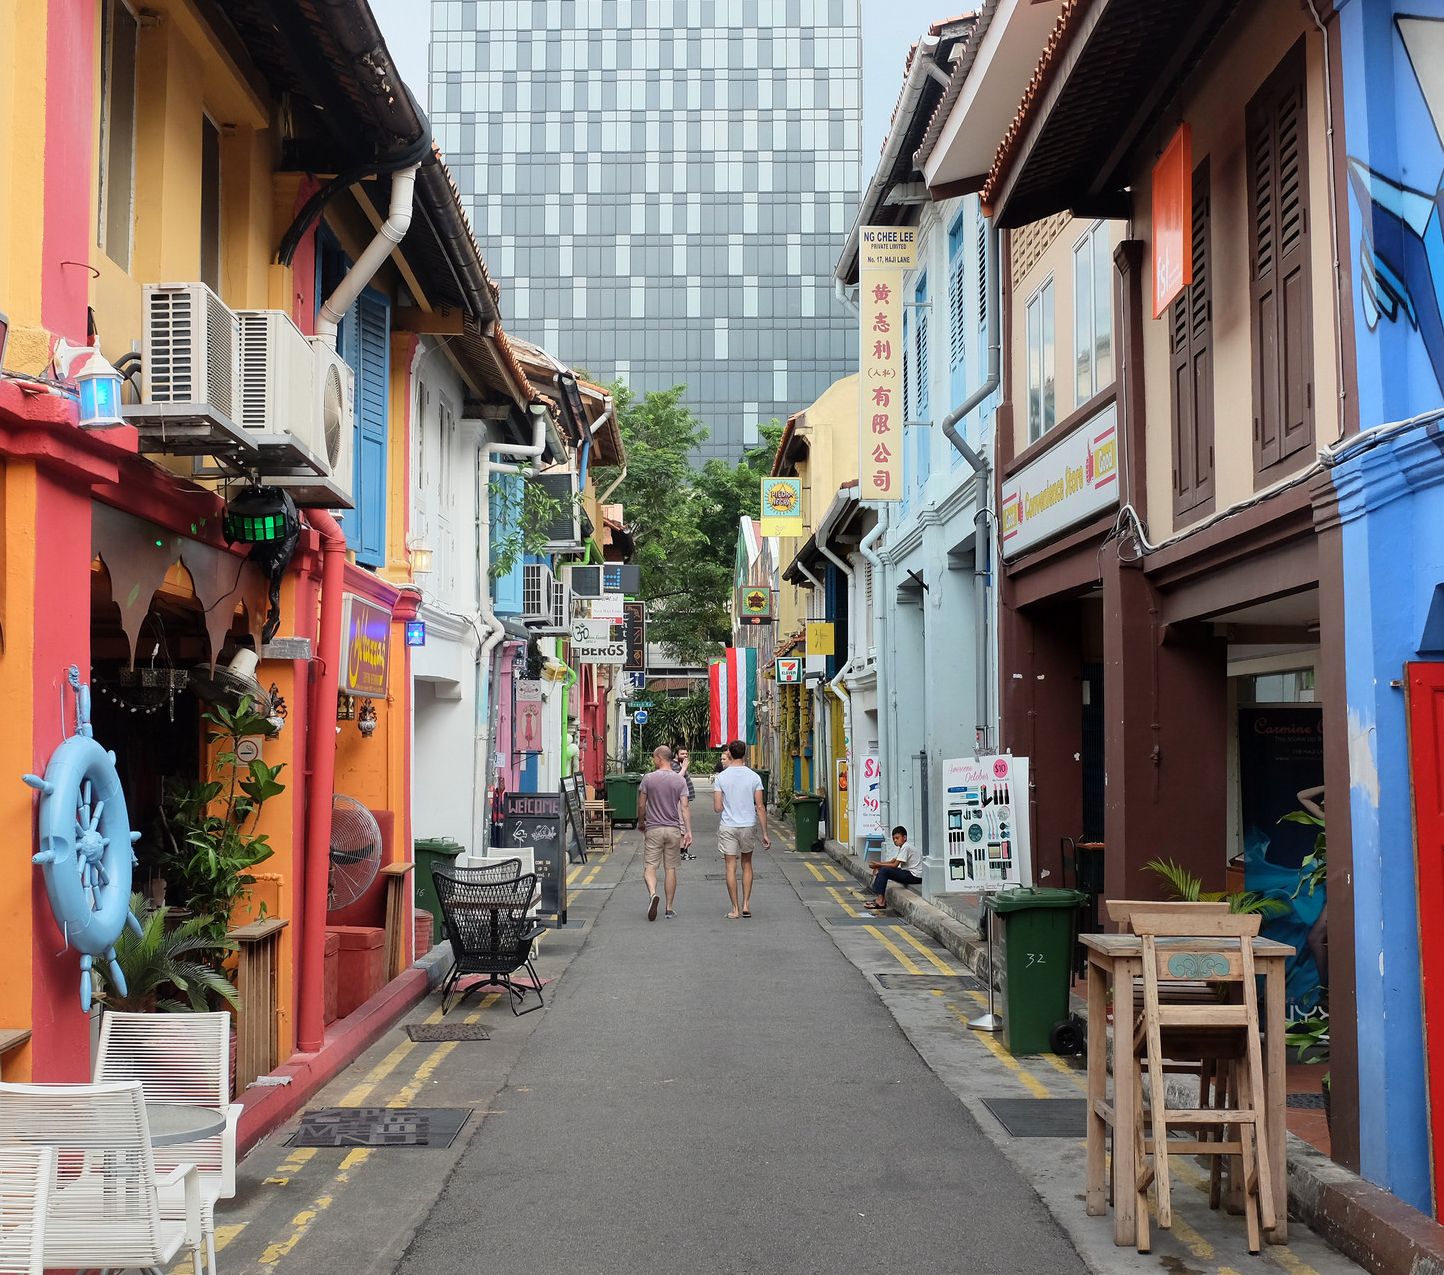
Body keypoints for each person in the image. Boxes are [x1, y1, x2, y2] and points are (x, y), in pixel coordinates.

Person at [713, 738, 769, 919]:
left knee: (730, 866)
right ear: (744, 754)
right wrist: (765, 833)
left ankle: (735, 908)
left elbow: (717, 807)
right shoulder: (754, 777)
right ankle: (746, 904)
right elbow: (760, 807)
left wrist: (726, 806)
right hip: (748, 825)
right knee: (747, 864)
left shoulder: (721, 777)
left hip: (728, 825)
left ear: (729, 753)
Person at [637, 745, 692, 920]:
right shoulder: (679, 780)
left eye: (654, 757)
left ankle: (653, 894)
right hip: (673, 830)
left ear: (660, 758)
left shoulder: (648, 778)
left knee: (650, 867)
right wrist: (688, 831)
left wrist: (641, 822)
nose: (653, 760)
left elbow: (641, 804)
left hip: (653, 828)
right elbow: (684, 807)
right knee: (671, 868)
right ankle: (669, 908)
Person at [864, 825, 924, 911]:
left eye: (897, 838)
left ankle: (880, 901)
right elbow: (892, 861)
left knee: (884, 870)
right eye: (894, 839)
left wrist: (879, 865)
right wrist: (878, 865)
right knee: (882, 869)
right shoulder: (902, 847)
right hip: (908, 873)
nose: (895, 840)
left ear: (904, 837)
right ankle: (880, 898)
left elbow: (894, 865)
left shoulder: (906, 847)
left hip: (915, 876)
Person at [673, 747, 697, 860]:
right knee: (682, 825)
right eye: (682, 754)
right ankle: (682, 851)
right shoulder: (674, 765)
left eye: (686, 754)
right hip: (679, 800)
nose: (685, 756)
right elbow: (676, 780)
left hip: (684, 799)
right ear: (676, 755)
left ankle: (684, 850)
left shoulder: (680, 765)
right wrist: (685, 768)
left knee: (682, 824)